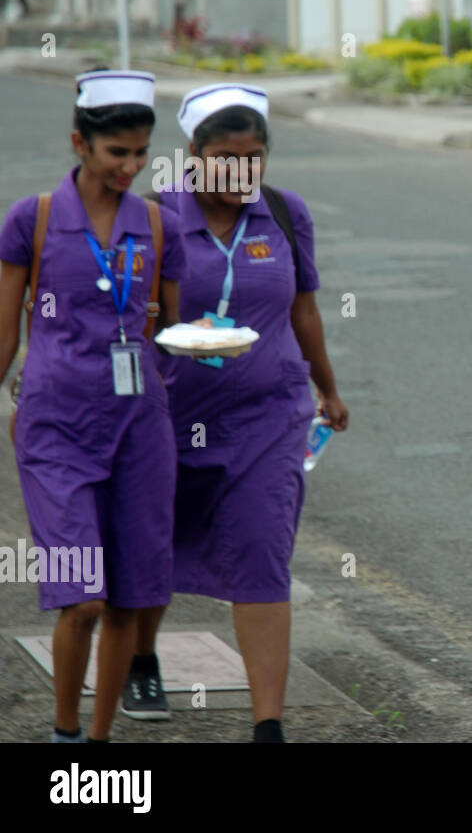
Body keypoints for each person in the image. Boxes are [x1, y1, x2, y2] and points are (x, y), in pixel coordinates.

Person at [124, 84, 349, 743]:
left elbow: (303, 309)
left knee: (261, 548)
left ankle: (268, 725)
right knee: (154, 542)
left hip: (267, 415)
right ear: (191, 155)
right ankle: (141, 659)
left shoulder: (282, 213)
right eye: (225, 158)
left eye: (253, 160)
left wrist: (327, 390)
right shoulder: (154, 216)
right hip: (167, 410)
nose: (240, 174)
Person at [0, 70, 186, 743]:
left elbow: (171, 331)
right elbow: (5, 333)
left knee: (130, 601)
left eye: (140, 153)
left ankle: (99, 747)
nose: (131, 167)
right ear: (79, 143)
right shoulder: (34, 219)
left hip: (141, 430)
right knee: (83, 596)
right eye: (117, 153)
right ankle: (65, 733)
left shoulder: (160, 225)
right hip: (55, 430)